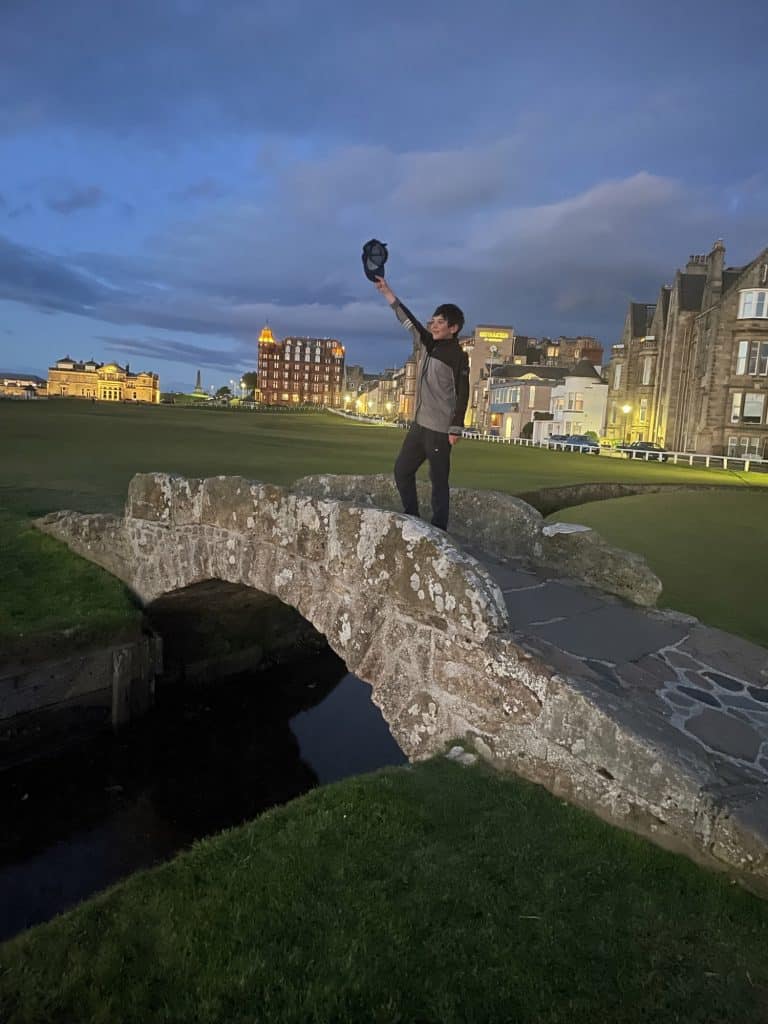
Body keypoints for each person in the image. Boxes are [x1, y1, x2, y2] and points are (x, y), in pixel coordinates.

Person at [373, 276, 469, 531]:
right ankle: (412, 517)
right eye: (433, 321)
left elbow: (463, 392)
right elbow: (408, 320)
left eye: (440, 322)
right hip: (419, 426)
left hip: (439, 430)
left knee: (438, 482)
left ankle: (439, 531)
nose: (434, 325)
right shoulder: (426, 343)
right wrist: (387, 292)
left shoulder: (458, 356)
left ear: (453, 328)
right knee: (402, 471)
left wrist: (455, 427)